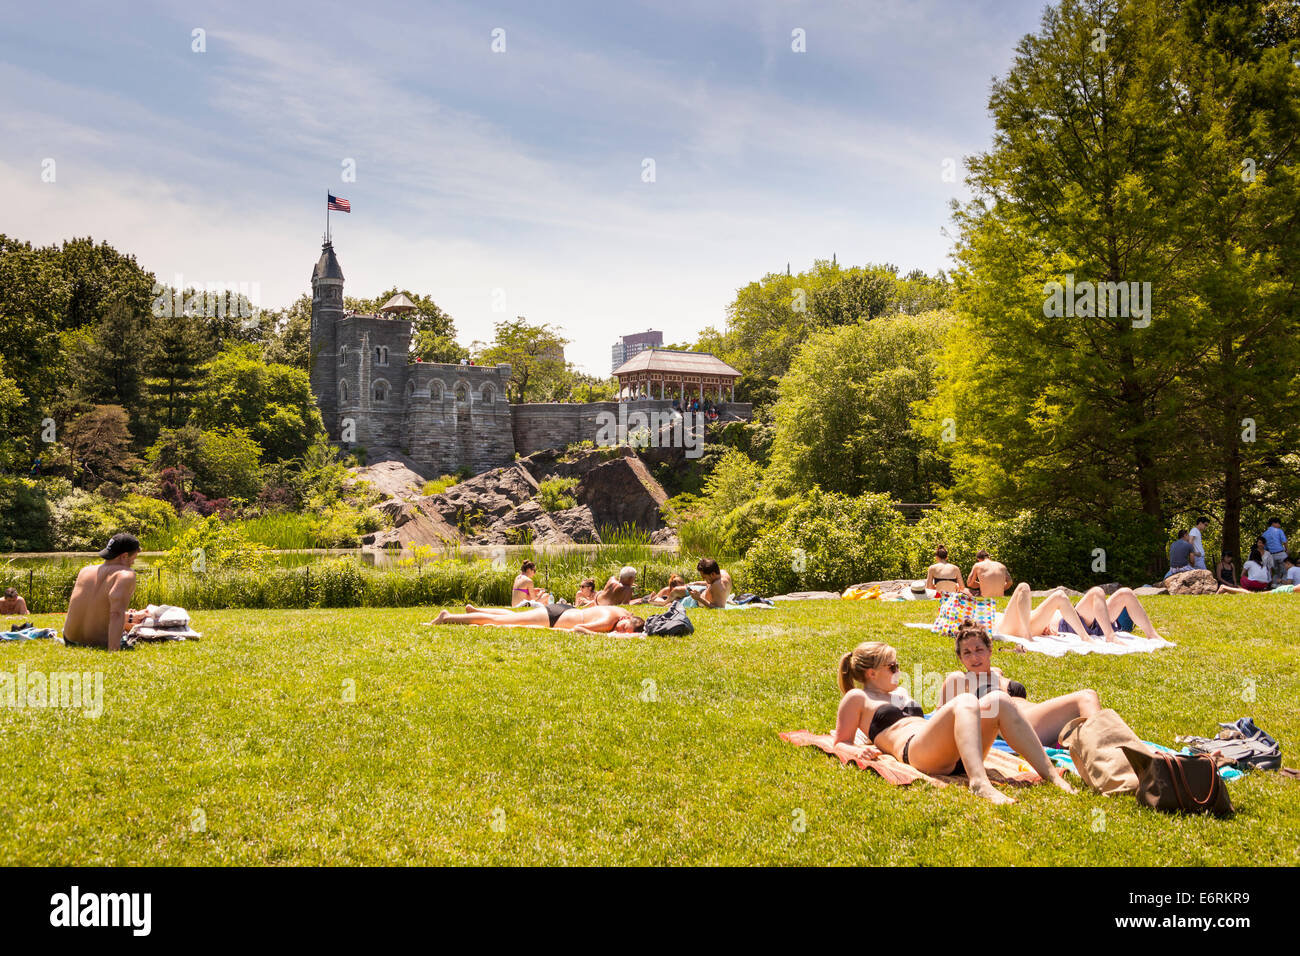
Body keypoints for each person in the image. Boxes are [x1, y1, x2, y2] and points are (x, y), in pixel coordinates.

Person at [833, 641, 1074, 804]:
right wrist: (856, 748)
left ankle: (1052, 776)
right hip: (917, 752)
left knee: (999, 700)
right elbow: (840, 742)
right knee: (966, 700)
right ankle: (979, 783)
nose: (898, 671)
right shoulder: (858, 698)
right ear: (871, 673)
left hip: (953, 751)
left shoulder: (902, 691)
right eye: (892, 667)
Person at [939, 623, 1102, 748]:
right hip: (1017, 727)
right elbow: (939, 722)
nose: (974, 657)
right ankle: (1106, 756)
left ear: (990, 650)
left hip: (1036, 719)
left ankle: (1106, 750)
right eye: (967, 653)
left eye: (979, 649)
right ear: (960, 658)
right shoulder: (960, 680)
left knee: (1087, 723)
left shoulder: (997, 672)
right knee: (1087, 697)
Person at [994, 582, 1164, 642]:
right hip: (1076, 624)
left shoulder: (1031, 615)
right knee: (1097, 591)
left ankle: (1153, 635)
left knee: (1126, 592)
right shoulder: (1025, 620)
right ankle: (1110, 636)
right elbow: (1023, 590)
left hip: (1095, 623)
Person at [64, 533, 148, 651]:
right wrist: (114, 649)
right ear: (124, 556)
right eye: (134, 558)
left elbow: (95, 609)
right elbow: (116, 613)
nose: (133, 563)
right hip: (99, 642)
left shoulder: (85, 571)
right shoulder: (125, 574)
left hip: (70, 639)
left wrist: (131, 616)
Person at [424, 603, 644, 635]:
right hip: (556, 617)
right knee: (500, 622)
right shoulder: (609, 620)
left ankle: (475, 610)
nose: (621, 631)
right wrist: (609, 636)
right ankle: (447, 617)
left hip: (560, 612)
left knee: (515, 617)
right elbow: (580, 628)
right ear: (627, 617)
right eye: (624, 628)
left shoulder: (618, 611)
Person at [1262, 519, 1288, 585]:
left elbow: (1265, 547)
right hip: (1281, 553)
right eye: (1278, 524)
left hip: (1272, 555)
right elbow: (1284, 541)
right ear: (1273, 523)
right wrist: (1287, 550)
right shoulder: (1279, 531)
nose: (1279, 525)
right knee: (1286, 571)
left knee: (1276, 572)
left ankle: (1275, 584)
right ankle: (1284, 584)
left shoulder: (1264, 534)